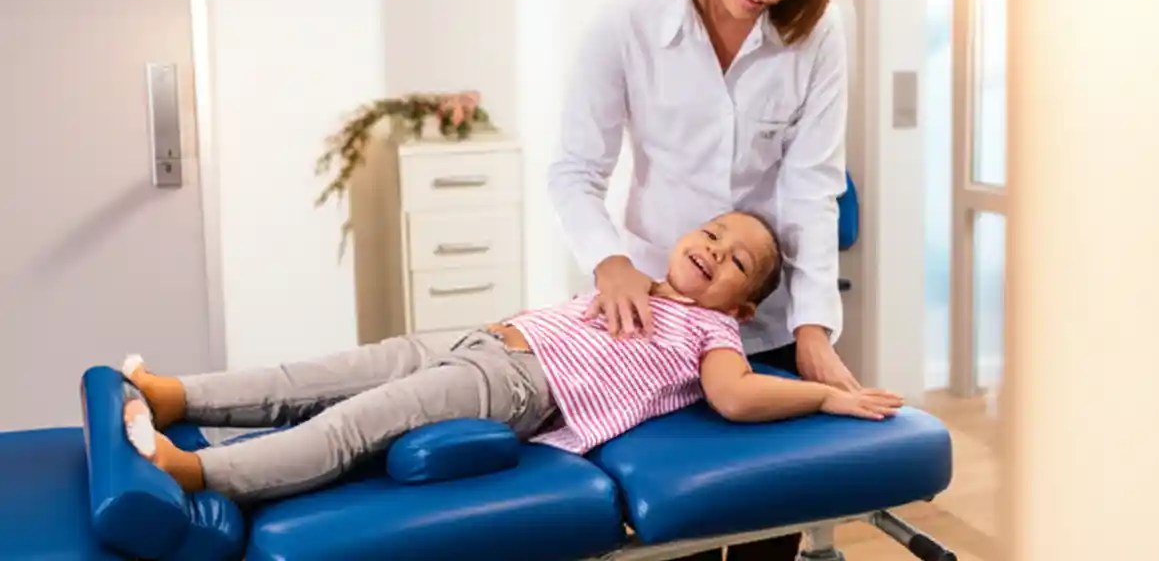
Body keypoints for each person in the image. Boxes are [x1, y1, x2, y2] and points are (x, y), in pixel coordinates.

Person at [121, 211, 903, 505]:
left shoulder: (714, 333)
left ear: (741, 306)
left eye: (736, 260)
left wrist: (824, 395)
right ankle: (176, 397)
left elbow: (735, 397)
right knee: (315, 378)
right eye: (712, 233)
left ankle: (199, 475)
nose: (713, 250)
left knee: (349, 426)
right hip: (478, 339)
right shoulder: (636, 278)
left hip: (518, 384)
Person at [548, 0, 854, 558]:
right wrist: (610, 264)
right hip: (655, 318)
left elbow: (812, 188)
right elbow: (573, 171)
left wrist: (813, 327)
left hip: (768, 321)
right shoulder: (626, 23)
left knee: (766, 535)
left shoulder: (818, 35)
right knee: (672, 531)